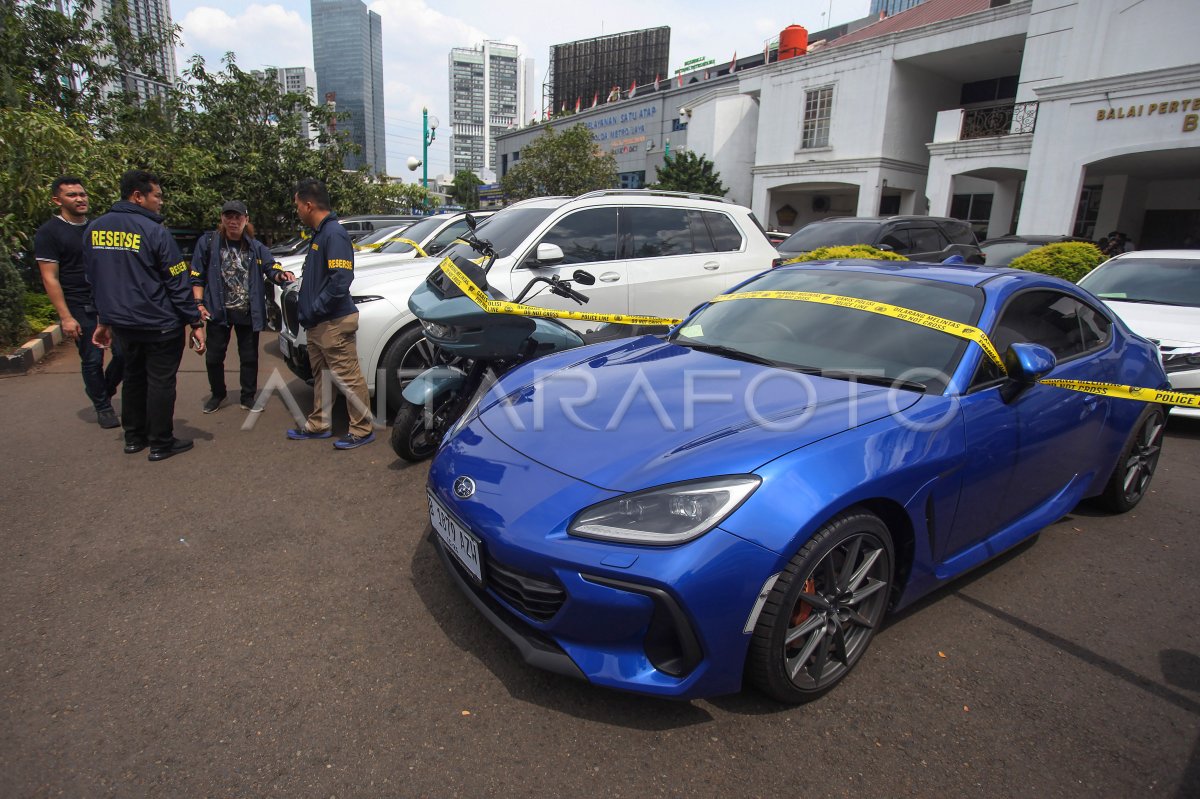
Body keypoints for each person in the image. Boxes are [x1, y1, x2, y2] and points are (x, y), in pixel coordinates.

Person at [85, 169, 206, 462]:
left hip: (123, 324)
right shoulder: (155, 232)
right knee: (161, 382)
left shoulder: (94, 229)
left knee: (133, 377)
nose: (160, 202)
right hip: (159, 323)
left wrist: (103, 320)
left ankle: (133, 437)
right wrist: (194, 321)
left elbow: (94, 280)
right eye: (157, 196)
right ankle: (161, 442)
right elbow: (177, 283)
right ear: (138, 196)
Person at [287, 178, 375, 449]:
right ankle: (319, 424)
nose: (297, 211)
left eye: (298, 205)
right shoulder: (320, 234)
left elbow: (340, 280)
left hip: (332, 321)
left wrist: (315, 309)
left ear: (309, 205)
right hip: (319, 323)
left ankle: (362, 429)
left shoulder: (333, 233)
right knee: (322, 377)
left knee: (348, 377)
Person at [34, 176, 124, 429]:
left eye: (82, 194)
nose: (80, 199)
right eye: (72, 195)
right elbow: (49, 277)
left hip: (107, 301)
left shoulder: (97, 228)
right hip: (78, 303)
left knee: (124, 354)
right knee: (93, 358)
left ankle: (104, 390)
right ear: (57, 200)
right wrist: (65, 317)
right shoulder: (49, 232)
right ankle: (103, 407)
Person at [190, 201, 294, 413]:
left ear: (246, 220)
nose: (233, 221)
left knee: (249, 357)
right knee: (214, 357)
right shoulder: (209, 243)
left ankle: (248, 397)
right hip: (218, 311)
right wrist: (198, 304)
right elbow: (197, 276)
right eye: (228, 217)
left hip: (248, 311)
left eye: (237, 217)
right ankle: (218, 394)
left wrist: (281, 275)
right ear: (222, 219)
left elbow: (271, 267)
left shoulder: (255, 247)